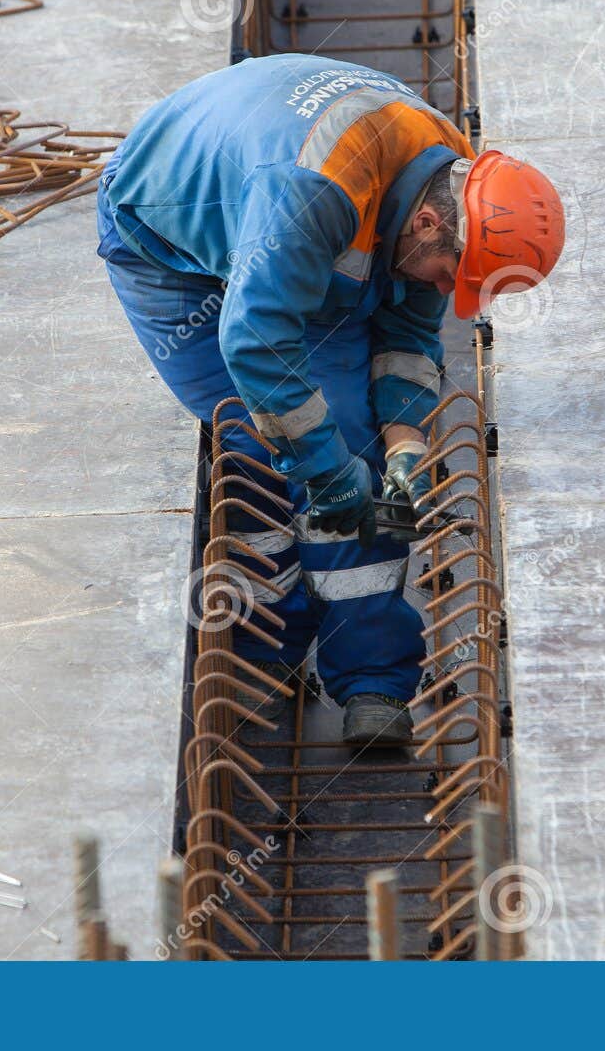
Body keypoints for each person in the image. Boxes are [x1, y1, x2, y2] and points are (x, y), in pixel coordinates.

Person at [96, 53, 564, 744]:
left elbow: (405, 326)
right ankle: (269, 649)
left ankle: (374, 678)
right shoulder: (314, 190)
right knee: (265, 446)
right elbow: (255, 341)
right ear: (430, 226)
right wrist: (331, 474)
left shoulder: (451, 177)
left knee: (359, 439)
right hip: (165, 242)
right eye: (449, 275)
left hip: (281, 222)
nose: (446, 292)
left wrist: (405, 445)